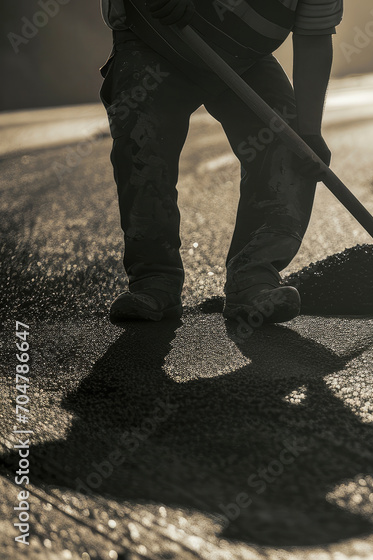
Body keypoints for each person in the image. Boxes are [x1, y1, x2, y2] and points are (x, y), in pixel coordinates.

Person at [100, 0, 342, 322]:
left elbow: (314, 35)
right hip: (155, 40)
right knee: (143, 145)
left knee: (289, 145)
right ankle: (154, 282)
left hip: (243, 58)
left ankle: (252, 279)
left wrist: (310, 134)